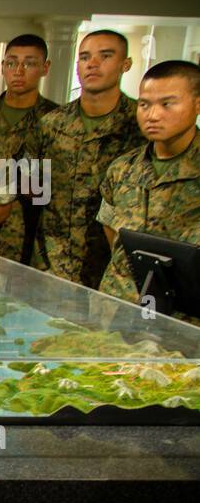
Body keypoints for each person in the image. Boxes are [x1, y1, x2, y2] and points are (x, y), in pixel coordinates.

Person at [13, 30, 141, 287]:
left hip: (113, 272)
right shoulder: (50, 124)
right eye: (84, 57)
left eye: (105, 56)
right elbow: (27, 185)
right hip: (52, 264)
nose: (92, 64)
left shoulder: (140, 125)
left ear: (125, 64)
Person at [97, 60, 200, 325]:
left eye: (167, 104)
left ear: (197, 104)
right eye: (144, 104)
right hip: (117, 310)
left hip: (183, 323)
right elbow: (113, 236)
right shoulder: (122, 169)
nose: (152, 115)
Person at [0, 34, 60, 265]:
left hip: (36, 243)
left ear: (45, 68)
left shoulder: (58, 122)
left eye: (29, 63)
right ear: (2, 67)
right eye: (11, 62)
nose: (18, 70)